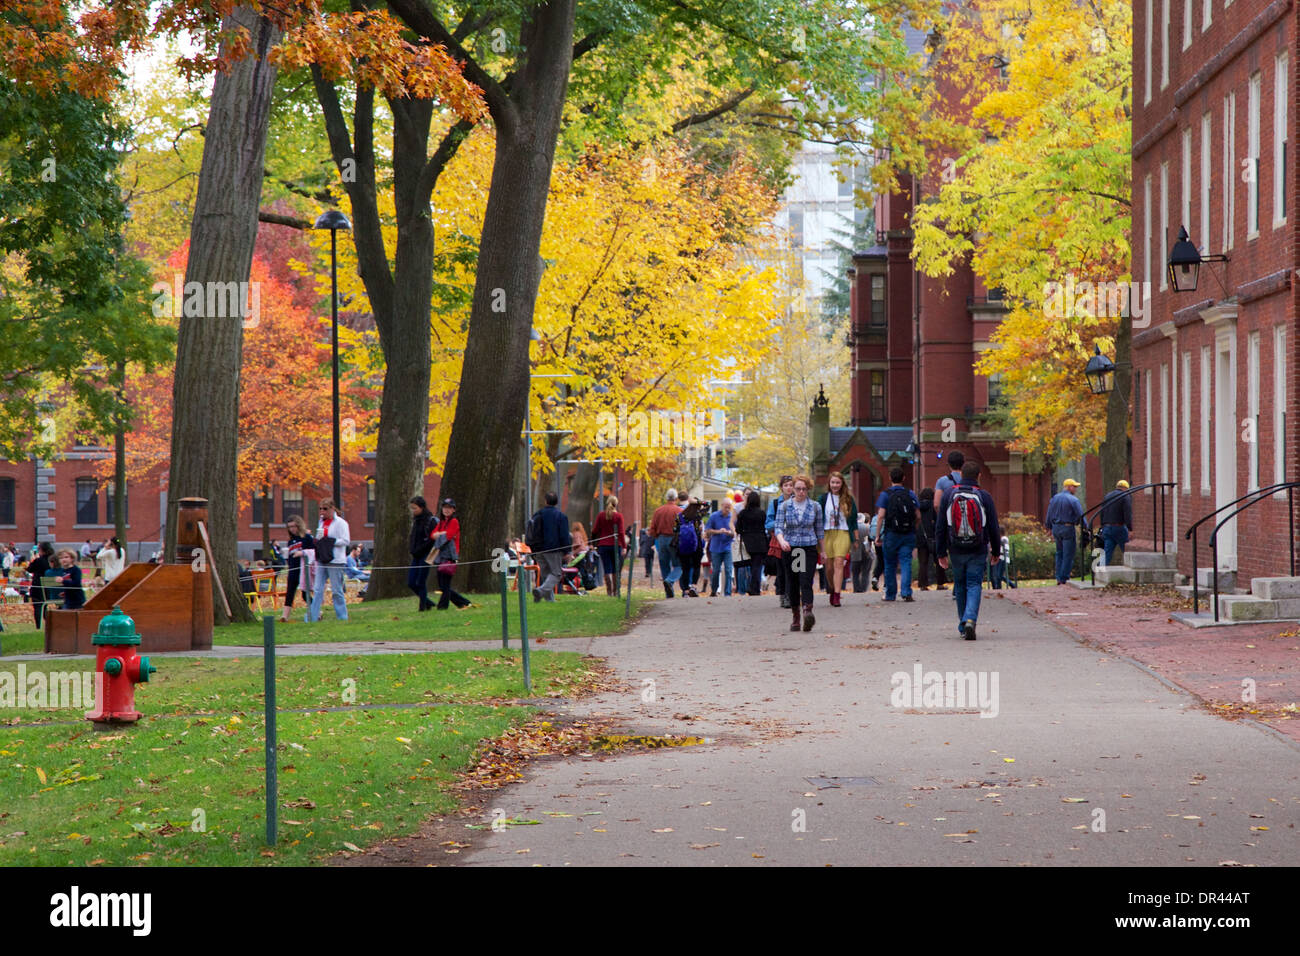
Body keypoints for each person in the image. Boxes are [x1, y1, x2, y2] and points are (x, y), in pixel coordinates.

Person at [936, 460, 1002, 641]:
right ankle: (970, 618)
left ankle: (963, 624)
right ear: (979, 476)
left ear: (962, 475)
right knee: (974, 584)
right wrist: (996, 551)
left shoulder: (949, 494)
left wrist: (940, 552)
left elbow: (940, 526)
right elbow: (994, 527)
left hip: (956, 547)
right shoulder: (984, 496)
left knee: (960, 585)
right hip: (978, 547)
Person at [775, 475, 823, 631]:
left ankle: (807, 612)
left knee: (806, 580)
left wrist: (823, 551)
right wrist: (782, 541)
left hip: (808, 547)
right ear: (793, 489)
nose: (801, 492)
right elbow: (778, 527)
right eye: (798, 489)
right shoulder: (785, 506)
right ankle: (796, 616)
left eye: (804, 489)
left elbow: (820, 531)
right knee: (794, 582)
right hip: (792, 548)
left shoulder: (815, 506)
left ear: (808, 489)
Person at [874, 466, 921, 602]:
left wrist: (878, 535)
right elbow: (918, 515)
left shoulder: (885, 494)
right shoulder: (910, 493)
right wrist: (914, 527)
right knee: (906, 562)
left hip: (891, 534)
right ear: (903, 478)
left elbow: (881, 516)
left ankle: (890, 594)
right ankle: (906, 592)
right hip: (908, 533)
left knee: (890, 564)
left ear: (890, 478)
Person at [306, 498, 350, 623]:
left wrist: (331, 541)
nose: (322, 511)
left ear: (332, 509)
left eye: (325, 509)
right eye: (320, 509)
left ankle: (342, 617)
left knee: (337, 590)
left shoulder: (341, 523)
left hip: (335, 560)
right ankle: (312, 617)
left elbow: (346, 540)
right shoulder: (321, 522)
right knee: (318, 588)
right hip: (321, 558)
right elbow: (320, 537)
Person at [817, 472, 858, 607]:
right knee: (828, 566)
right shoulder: (823, 499)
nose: (835, 485)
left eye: (838, 483)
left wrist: (856, 539)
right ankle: (831, 586)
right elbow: (817, 518)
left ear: (842, 484)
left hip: (843, 532)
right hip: (827, 533)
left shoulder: (848, 499)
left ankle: (837, 595)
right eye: (833, 482)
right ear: (829, 484)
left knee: (839, 562)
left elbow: (853, 521)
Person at [528, 492, 571, 602]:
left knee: (546, 575)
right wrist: (567, 551)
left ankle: (549, 600)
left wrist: (533, 549)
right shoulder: (561, 516)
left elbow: (531, 531)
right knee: (556, 574)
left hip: (538, 550)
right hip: (553, 550)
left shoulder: (537, 515)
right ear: (556, 502)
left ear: (546, 501)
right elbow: (564, 535)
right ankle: (541, 591)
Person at [430, 497, 471, 610]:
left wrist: (440, 534)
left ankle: (443, 606)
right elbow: (433, 535)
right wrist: (441, 534)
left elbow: (448, 536)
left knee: (445, 584)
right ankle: (463, 602)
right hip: (440, 557)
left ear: (453, 510)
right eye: (445, 507)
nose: (446, 510)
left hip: (449, 557)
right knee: (442, 584)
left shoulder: (454, 521)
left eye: (449, 508)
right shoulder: (442, 522)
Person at [1046, 478, 1084, 584]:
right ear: (1069, 487)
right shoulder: (1073, 500)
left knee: (1059, 553)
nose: (1075, 489)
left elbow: (1049, 513)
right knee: (1068, 554)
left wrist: (1048, 527)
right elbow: (1080, 515)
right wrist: (1085, 527)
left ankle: (1058, 577)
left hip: (1056, 528)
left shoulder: (1054, 499)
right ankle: (1064, 578)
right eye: (1074, 487)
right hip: (1067, 528)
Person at [765, 475, 795, 608]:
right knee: (782, 570)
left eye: (791, 485)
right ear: (781, 487)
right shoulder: (775, 503)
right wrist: (780, 525)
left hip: (796, 539)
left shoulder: (799, 501)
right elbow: (768, 521)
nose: (789, 488)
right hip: (779, 540)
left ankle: (791, 595)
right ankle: (783, 595)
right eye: (786, 485)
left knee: (794, 570)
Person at [649, 489, 684, 598]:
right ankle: (670, 580)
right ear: (675, 498)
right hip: (674, 539)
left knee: (664, 565)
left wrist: (657, 537)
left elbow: (652, 528)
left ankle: (669, 593)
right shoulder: (679, 511)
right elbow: (683, 528)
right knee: (679, 565)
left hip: (661, 539)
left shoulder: (658, 511)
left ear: (666, 498)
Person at [281, 514, 314, 622]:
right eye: (289, 527)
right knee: (289, 592)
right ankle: (284, 616)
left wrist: (302, 553)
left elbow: (313, 553)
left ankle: (316, 611)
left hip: (303, 569)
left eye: (294, 526)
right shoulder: (290, 541)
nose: (292, 529)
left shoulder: (307, 538)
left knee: (305, 594)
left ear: (299, 525)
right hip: (293, 569)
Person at [591, 497, 627, 596]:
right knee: (615, 568)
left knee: (607, 568)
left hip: (603, 545)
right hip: (616, 546)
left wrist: (593, 543)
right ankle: (615, 591)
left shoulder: (601, 515)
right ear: (616, 504)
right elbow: (621, 532)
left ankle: (609, 591)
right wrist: (624, 546)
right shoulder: (618, 516)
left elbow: (595, 531)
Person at [406, 496, 437, 611]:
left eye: (415, 508)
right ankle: (428, 602)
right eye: (412, 509)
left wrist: (421, 549)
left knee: (421, 581)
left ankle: (422, 606)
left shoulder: (430, 521)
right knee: (411, 582)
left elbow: (432, 540)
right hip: (416, 555)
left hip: (426, 554)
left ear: (422, 507)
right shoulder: (416, 521)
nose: (413, 511)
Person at [735, 491, 767, 596]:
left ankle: (747, 587)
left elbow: (738, 529)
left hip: (747, 542)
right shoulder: (762, 513)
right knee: (757, 567)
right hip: (760, 542)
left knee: (746, 566)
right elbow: (764, 527)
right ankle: (755, 589)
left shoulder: (743, 513)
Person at [916, 486, 946, 591]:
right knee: (939, 561)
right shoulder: (934, 506)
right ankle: (940, 583)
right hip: (934, 536)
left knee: (923, 562)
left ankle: (923, 584)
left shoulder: (918, 506)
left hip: (921, 537)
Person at [1098, 479, 1134, 566]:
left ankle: (1099, 570)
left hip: (1107, 528)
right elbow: (1127, 514)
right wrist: (1130, 528)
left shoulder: (1107, 496)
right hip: (1119, 528)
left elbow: (1101, 512)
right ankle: (1132, 567)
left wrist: (1102, 525)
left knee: (1107, 552)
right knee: (1127, 550)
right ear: (1126, 488)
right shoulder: (1125, 496)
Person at [674, 498, 706, 597]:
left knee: (685, 568)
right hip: (696, 544)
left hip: (683, 544)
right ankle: (693, 586)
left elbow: (675, 529)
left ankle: (685, 591)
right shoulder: (698, 515)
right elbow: (708, 505)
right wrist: (699, 502)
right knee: (696, 566)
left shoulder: (679, 516)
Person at [705, 496, 736, 597]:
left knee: (728, 570)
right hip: (716, 548)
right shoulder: (714, 516)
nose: (727, 509)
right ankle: (714, 590)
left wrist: (730, 533)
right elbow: (707, 530)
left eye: (729, 507)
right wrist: (719, 531)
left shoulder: (732, 518)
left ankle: (727, 593)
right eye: (726, 507)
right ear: (722, 505)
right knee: (716, 570)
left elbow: (735, 533)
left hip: (728, 547)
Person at [28, 542, 54, 629]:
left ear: (42, 550)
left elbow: (29, 569)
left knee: (38, 606)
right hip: (50, 590)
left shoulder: (39, 561)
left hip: (38, 588)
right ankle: (48, 624)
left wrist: (34, 559)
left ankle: (38, 626)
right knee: (44, 606)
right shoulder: (53, 561)